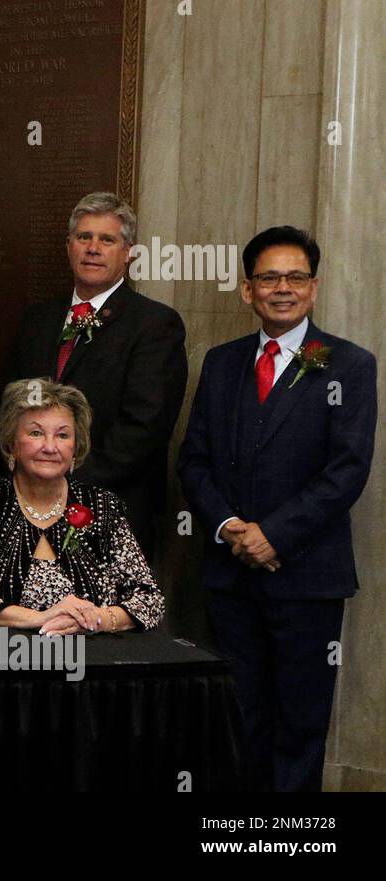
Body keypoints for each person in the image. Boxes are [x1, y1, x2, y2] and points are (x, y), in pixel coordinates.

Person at [178, 226, 376, 791]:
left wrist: (276, 535)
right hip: (229, 577)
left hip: (307, 577)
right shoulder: (221, 363)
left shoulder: (349, 365)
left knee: (299, 722)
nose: (281, 288)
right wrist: (230, 528)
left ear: (313, 288)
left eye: (295, 277)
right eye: (269, 277)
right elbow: (194, 461)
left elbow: (346, 471)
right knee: (238, 717)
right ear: (248, 290)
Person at [7, 192, 187, 555]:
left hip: (112, 511)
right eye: (84, 237)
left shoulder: (155, 325)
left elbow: (144, 428)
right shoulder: (37, 320)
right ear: (69, 246)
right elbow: (11, 409)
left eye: (107, 240)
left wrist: (61, 481)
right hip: (25, 510)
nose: (93, 248)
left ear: (129, 252)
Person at [0, 378, 163, 633]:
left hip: (93, 661)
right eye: (36, 433)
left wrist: (97, 620)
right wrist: (43, 618)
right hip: (1, 659)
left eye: (62, 435)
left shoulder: (103, 507)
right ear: (11, 443)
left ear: (75, 447)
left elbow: (149, 599)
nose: (50, 447)